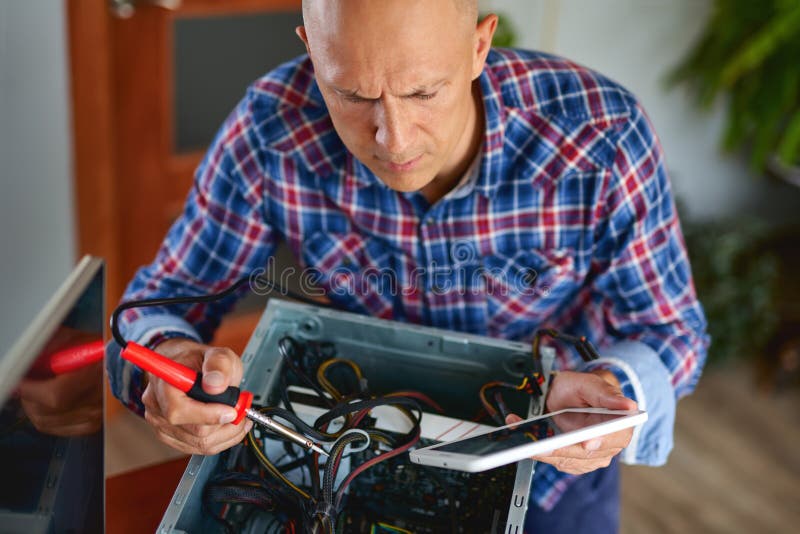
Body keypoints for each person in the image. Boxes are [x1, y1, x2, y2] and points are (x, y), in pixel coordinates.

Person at [107, 0, 709, 531]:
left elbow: (670, 331)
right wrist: (172, 367)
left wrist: (609, 393)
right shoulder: (270, 128)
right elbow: (162, 301)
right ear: (311, 51)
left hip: (550, 476)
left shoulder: (600, 135)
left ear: (479, 47)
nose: (392, 140)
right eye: (351, 94)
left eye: (424, 92)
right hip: (352, 460)